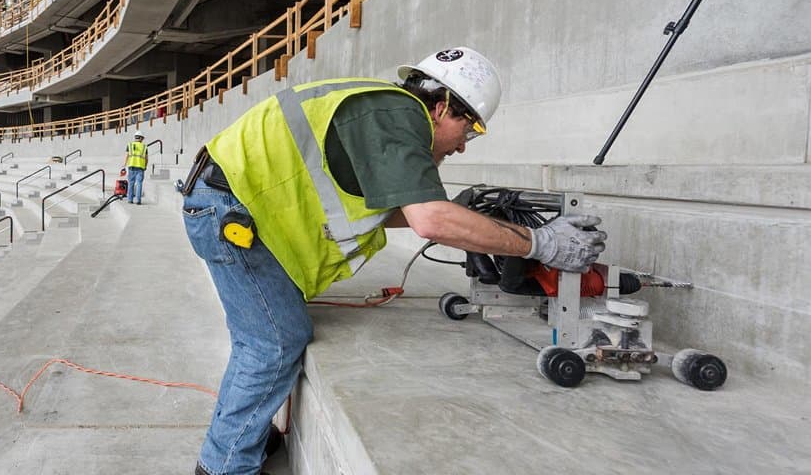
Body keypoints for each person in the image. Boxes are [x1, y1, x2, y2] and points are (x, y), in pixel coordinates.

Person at [179, 47, 607, 475]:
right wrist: (538, 242)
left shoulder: (382, 110)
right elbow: (429, 221)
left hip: (232, 206)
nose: (461, 147)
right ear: (441, 107)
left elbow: (392, 208)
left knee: (266, 336)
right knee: (273, 342)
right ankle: (224, 466)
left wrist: (467, 220)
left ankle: (247, 437)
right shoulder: (397, 117)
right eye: (468, 130)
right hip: (229, 213)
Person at [122, 131, 148, 204]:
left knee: (131, 183)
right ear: (141, 138)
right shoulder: (144, 146)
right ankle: (138, 201)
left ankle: (130, 200)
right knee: (139, 184)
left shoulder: (129, 145)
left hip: (131, 167)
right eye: (142, 138)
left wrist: (125, 164)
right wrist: (145, 166)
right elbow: (146, 158)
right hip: (140, 168)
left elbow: (127, 156)